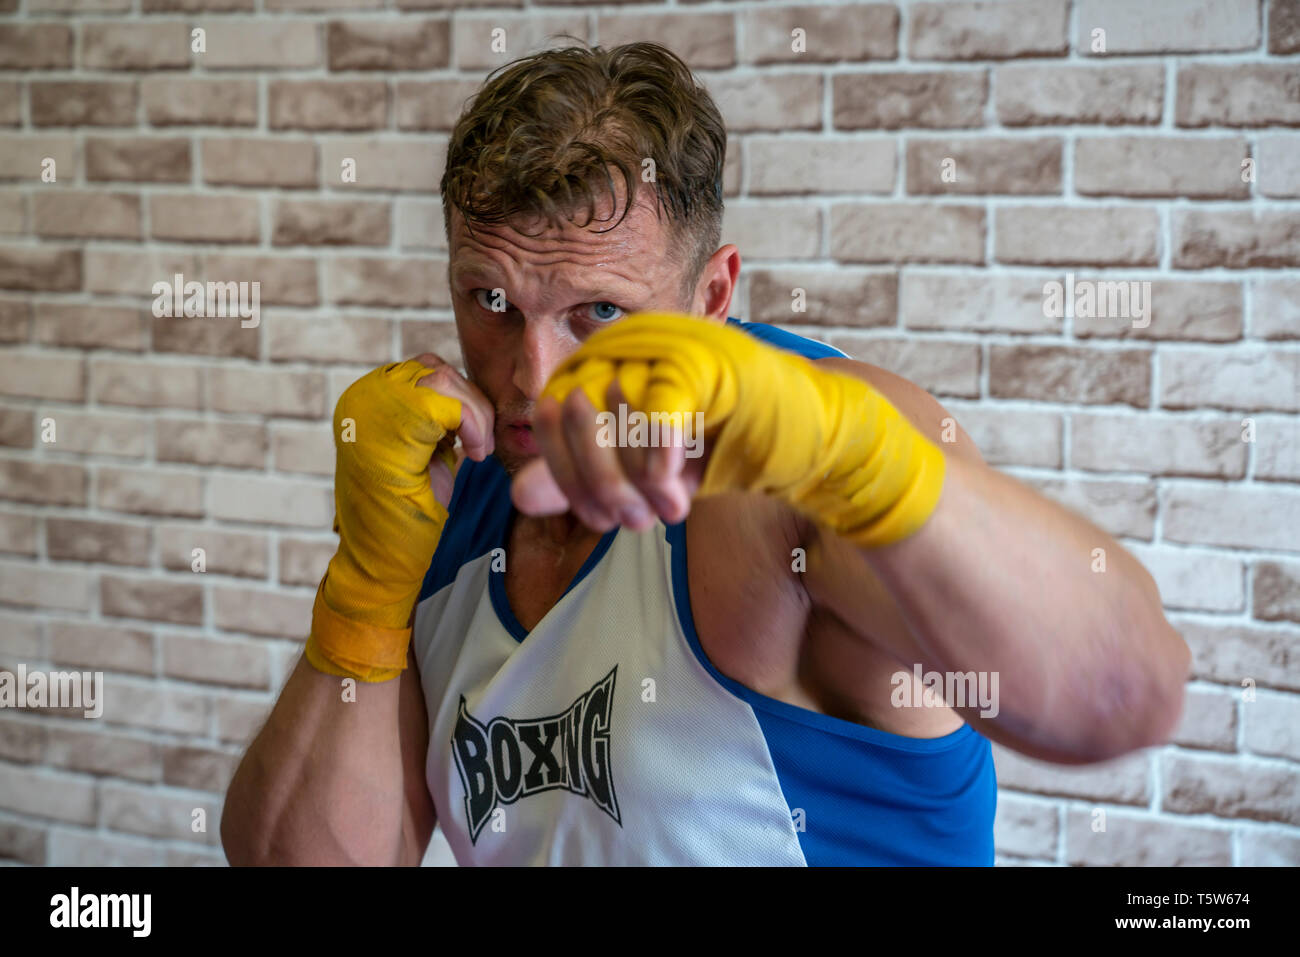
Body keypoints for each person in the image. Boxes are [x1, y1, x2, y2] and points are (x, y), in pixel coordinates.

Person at [221, 41, 1191, 866]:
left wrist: (860, 467)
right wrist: (365, 585)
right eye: (491, 303)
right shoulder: (455, 485)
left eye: (598, 312)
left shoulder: (794, 461)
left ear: (713, 298)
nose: (529, 377)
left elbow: (1124, 698)